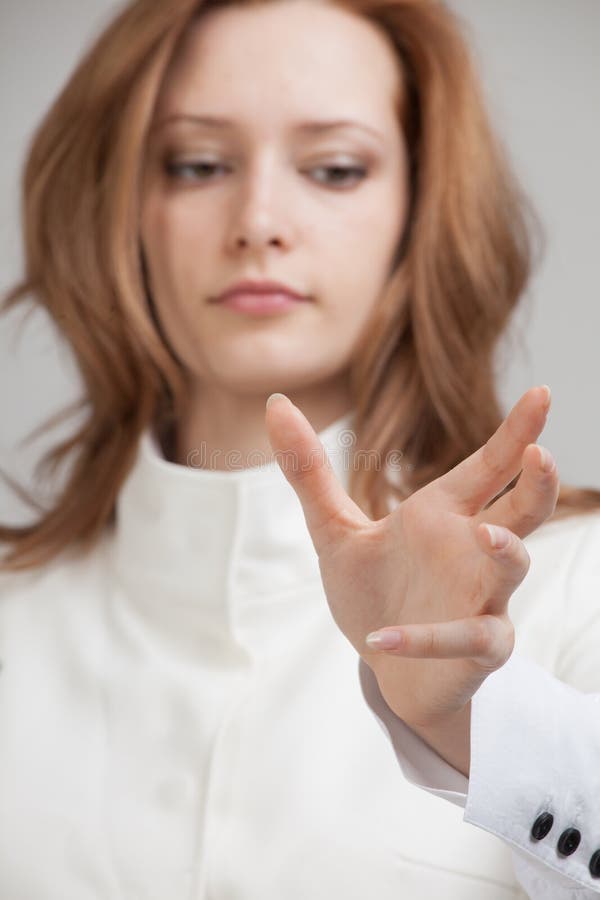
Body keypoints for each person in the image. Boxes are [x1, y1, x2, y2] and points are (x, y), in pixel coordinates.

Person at [0, 0, 598, 897]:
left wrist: (471, 725)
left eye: (335, 168)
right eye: (198, 165)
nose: (260, 221)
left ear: (418, 212)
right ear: (116, 207)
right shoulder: (17, 620)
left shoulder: (575, 583)